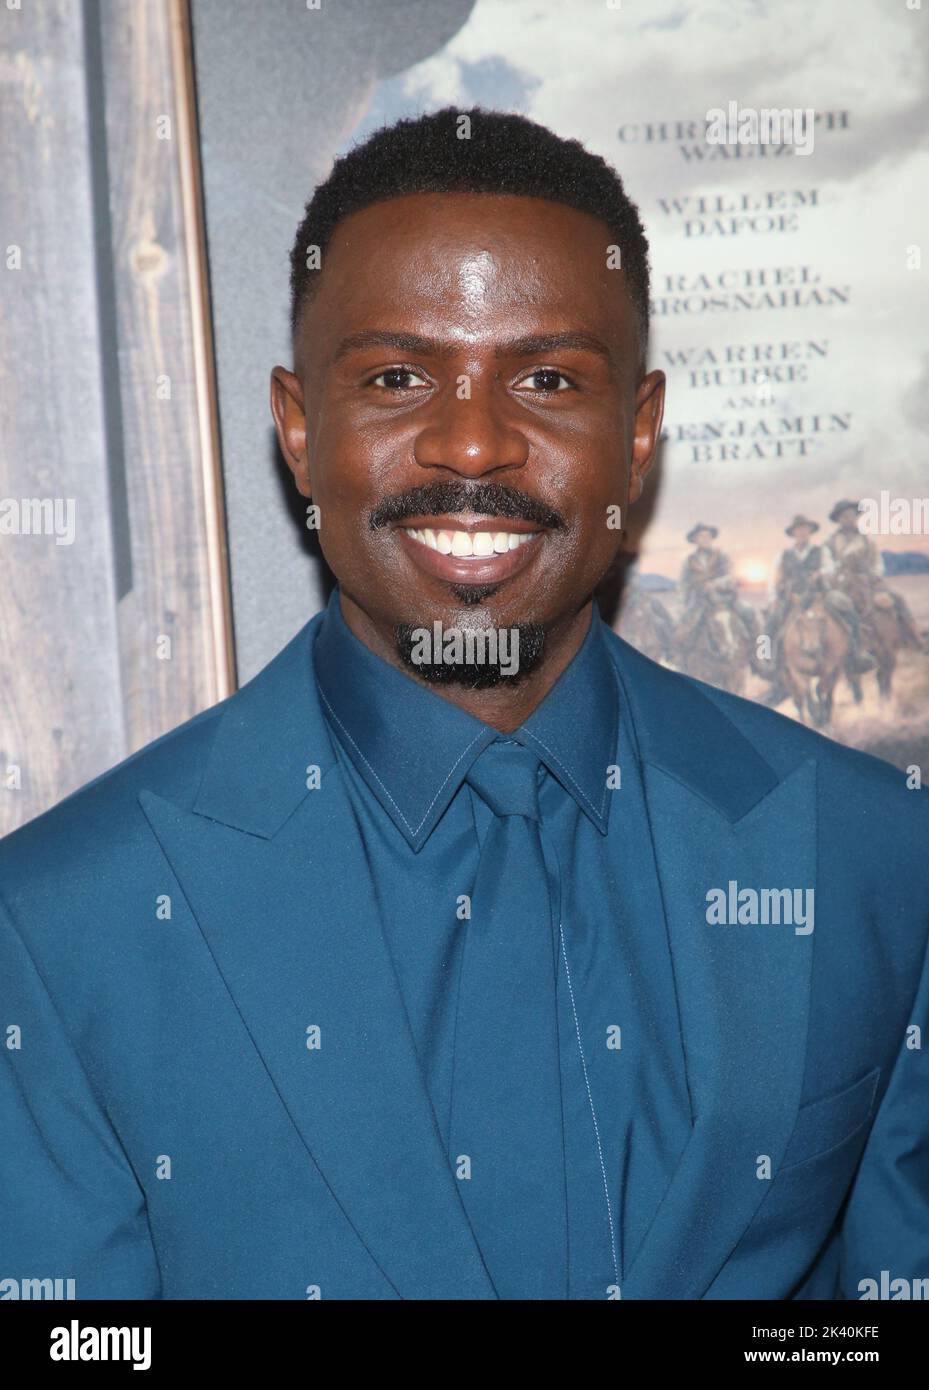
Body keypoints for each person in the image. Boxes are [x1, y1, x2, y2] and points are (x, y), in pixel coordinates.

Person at [2, 108, 927, 1302]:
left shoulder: (869, 851)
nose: (473, 443)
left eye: (545, 378)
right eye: (397, 377)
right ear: (297, 428)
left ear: (636, 434)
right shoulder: (63, 922)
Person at [826, 499, 923, 652]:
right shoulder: (830, 543)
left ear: (856, 517)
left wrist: (873, 574)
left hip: (867, 581)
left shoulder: (867, 540)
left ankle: (914, 638)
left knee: (896, 598)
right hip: (842, 583)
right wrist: (838, 571)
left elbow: (878, 563)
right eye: (844, 516)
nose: (848, 519)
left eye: (851, 515)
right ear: (838, 520)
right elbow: (827, 565)